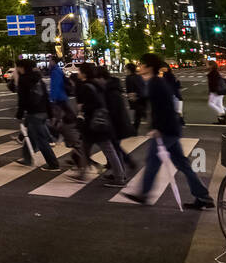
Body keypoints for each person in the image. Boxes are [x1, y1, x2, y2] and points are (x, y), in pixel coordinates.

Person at [123, 54, 214, 209]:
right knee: (182, 164)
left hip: (166, 130)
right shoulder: (155, 82)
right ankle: (203, 196)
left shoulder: (155, 83)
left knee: (153, 160)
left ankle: (144, 194)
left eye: (142, 64)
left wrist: (157, 128)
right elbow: (153, 103)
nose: (140, 67)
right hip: (171, 128)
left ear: (149, 67)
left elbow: (162, 108)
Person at [75, 63, 126, 184]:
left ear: (84, 73)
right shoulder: (98, 84)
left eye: (79, 71)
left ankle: (119, 177)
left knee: (105, 149)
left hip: (94, 123)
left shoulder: (87, 86)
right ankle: (82, 174)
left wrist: (83, 107)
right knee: (88, 148)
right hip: (101, 121)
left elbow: (92, 105)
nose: (78, 73)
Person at [12, 59, 59, 170]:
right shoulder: (38, 79)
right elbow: (46, 97)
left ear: (21, 67)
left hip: (34, 113)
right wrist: (50, 114)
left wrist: (19, 114)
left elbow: (22, 99)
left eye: (17, 67)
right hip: (42, 111)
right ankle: (27, 159)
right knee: (32, 136)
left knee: (41, 139)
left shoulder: (23, 80)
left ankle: (53, 164)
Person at [124, 62, 148, 133]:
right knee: (139, 115)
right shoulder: (139, 76)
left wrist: (131, 98)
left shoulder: (129, 78)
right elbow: (143, 86)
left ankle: (134, 131)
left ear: (129, 69)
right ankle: (134, 130)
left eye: (126, 69)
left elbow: (130, 89)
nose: (125, 70)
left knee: (141, 114)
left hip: (136, 98)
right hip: (142, 97)